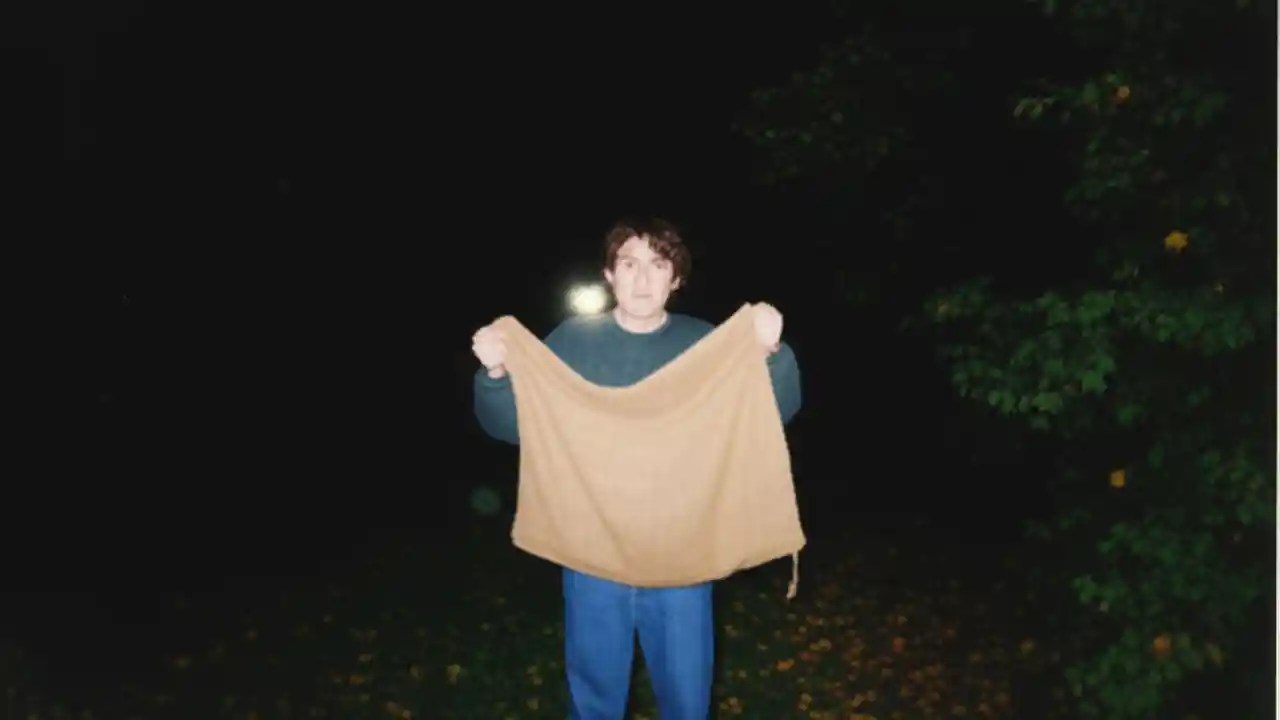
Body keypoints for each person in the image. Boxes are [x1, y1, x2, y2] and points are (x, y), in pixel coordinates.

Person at [470, 217, 802, 720]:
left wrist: (772, 353)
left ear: (676, 279)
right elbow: (511, 427)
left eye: (657, 265)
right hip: (592, 551)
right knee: (594, 697)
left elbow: (776, 413)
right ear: (609, 275)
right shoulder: (572, 342)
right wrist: (495, 372)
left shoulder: (704, 343)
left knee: (686, 697)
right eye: (628, 264)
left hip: (683, 552)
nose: (642, 279)